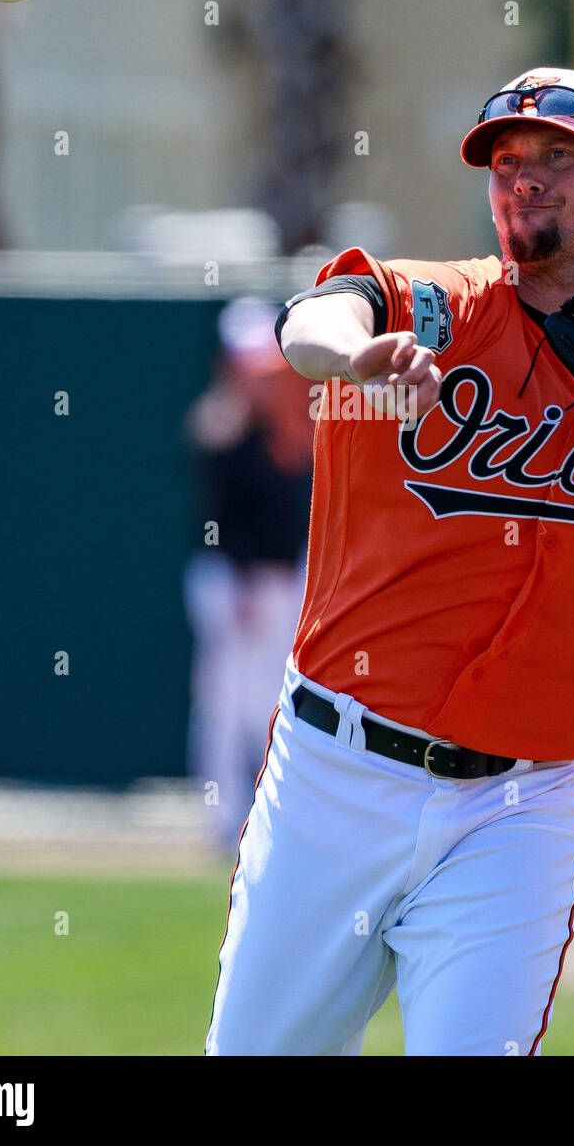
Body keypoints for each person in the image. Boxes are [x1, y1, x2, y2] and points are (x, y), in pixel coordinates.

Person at [206, 67, 574, 1056]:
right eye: (506, 162)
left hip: (520, 808)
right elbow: (316, 319)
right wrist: (357, 354)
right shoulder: (433, 309)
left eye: (558, 158)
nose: (524, 179)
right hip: (339, 775)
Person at [183, 299, 313, 851]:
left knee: (274, 702)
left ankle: (269, 815)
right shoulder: (220, 423)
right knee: (224, 701)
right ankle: (221, 819)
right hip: (231, 582)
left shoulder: (289, 420)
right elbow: (217, 516)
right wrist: (238, 584)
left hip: (284, 581)